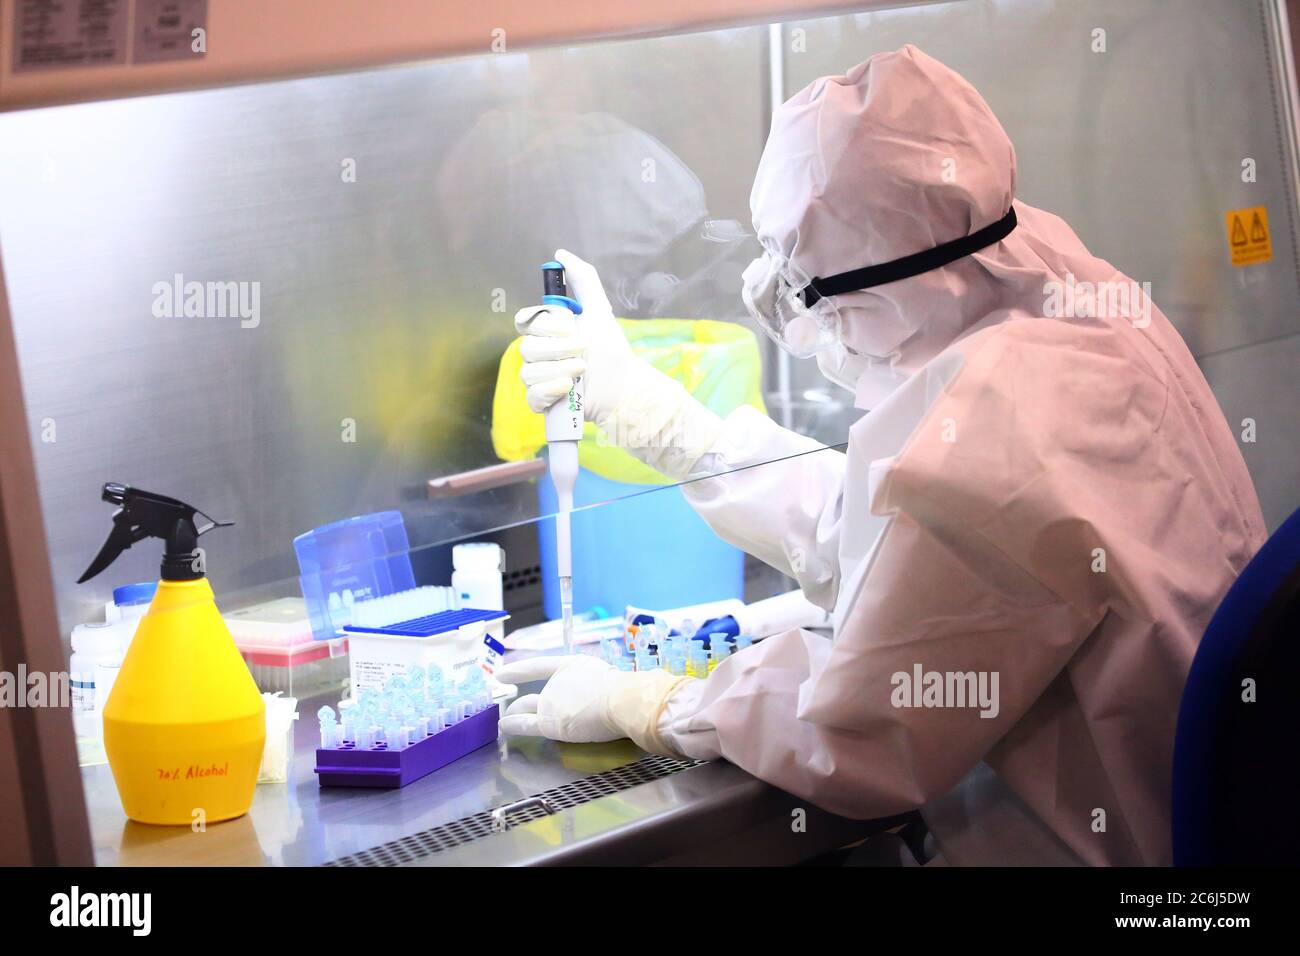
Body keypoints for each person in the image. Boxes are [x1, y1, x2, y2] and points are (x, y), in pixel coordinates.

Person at [496, 45, 1266, 866]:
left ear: (892, 284)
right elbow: (913, 537)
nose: (812, 324)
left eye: (814, 295)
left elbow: (853, 739)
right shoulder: (1056, 287)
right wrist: (680, 434)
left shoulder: (996, 421)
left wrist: (655, 706)